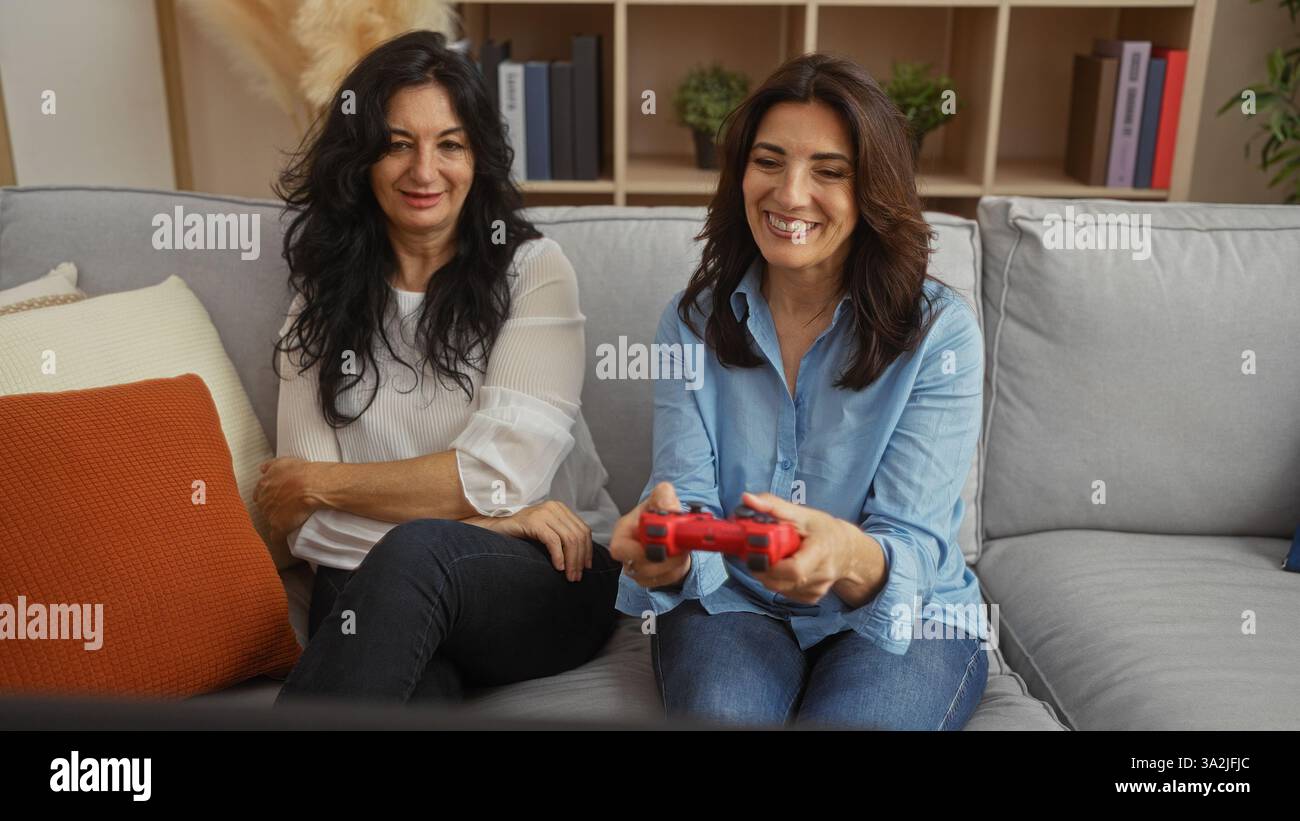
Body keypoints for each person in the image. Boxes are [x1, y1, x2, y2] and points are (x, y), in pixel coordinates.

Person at [610, 52, 989, 729]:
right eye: (769, 160)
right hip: (738, 601)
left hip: (907, 615)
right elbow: (685, 498)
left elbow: (914, 543)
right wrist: (663, 556)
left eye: (830, 171)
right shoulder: (691, 323)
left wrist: (841, 554)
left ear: (873, 189)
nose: (789, 194)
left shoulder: (940, 335)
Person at [255, 30, 622, 704]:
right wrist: (491, 516)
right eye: (398, 143)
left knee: (418, 557)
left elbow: (493, 473)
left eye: (449, 144)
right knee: (418, 682)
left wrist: (331, 484)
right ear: (362, 157)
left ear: (477, 158)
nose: (425, 170)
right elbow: (300, 518)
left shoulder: (533, 273)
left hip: (542, 573)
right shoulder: (323, 289)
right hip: (377, 581)